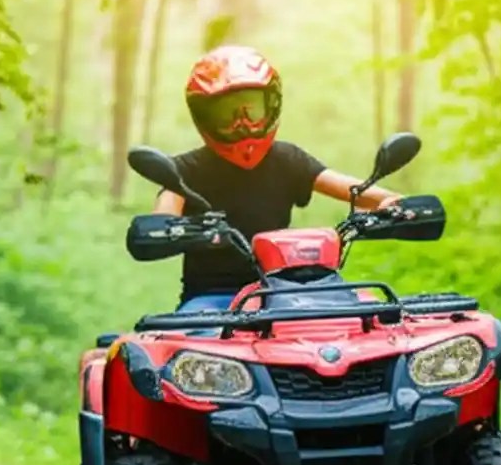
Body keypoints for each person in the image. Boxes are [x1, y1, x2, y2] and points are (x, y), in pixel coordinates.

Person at [155, 45, 404, 312]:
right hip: (213, 299)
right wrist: (164, 229)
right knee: (190, 346)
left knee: (373, 318)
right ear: (204, 117)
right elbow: (159, 223)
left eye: (252, 111)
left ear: (271, 105)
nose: (244, 125)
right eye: (228, 115)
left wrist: (394, 205)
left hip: (283, 290)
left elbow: (360, 192)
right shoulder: (183, 171)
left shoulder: (287, 159)